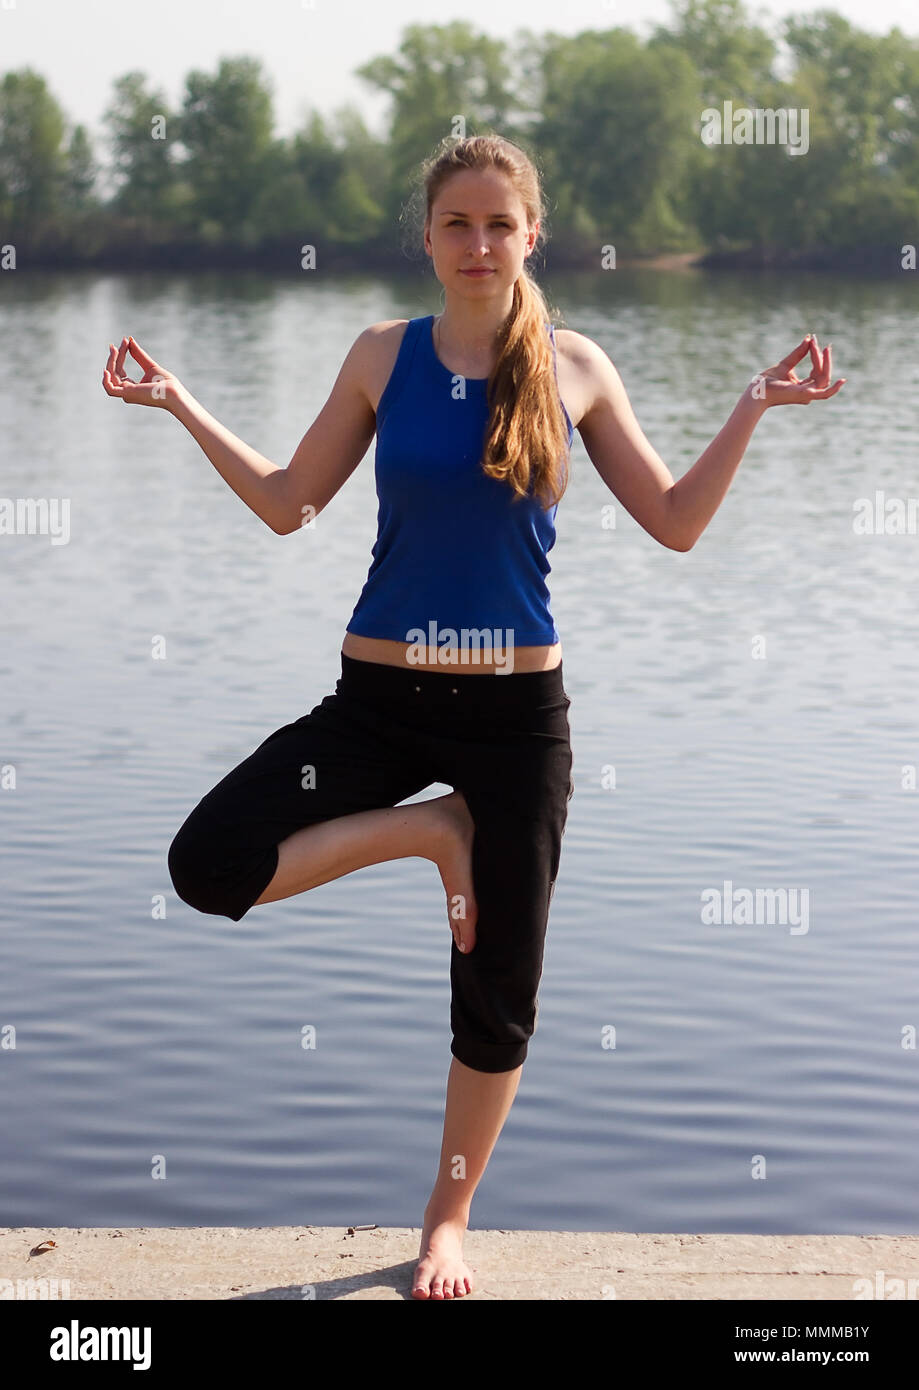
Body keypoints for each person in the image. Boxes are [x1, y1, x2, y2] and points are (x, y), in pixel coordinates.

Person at [102, 133, 845, 1300]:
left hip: (513, 722)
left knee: (498, 990)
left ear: (531, 235)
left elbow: (675, 522)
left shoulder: (576, 365)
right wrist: (181, 402)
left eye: (501, 224)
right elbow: (293, 503)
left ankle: (446, 1225)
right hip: (377, 706)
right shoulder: (379, 357)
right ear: (430, 235)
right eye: (458, 223)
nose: (479, 244)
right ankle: (429, 832)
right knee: (206, 862)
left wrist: (752, 402)